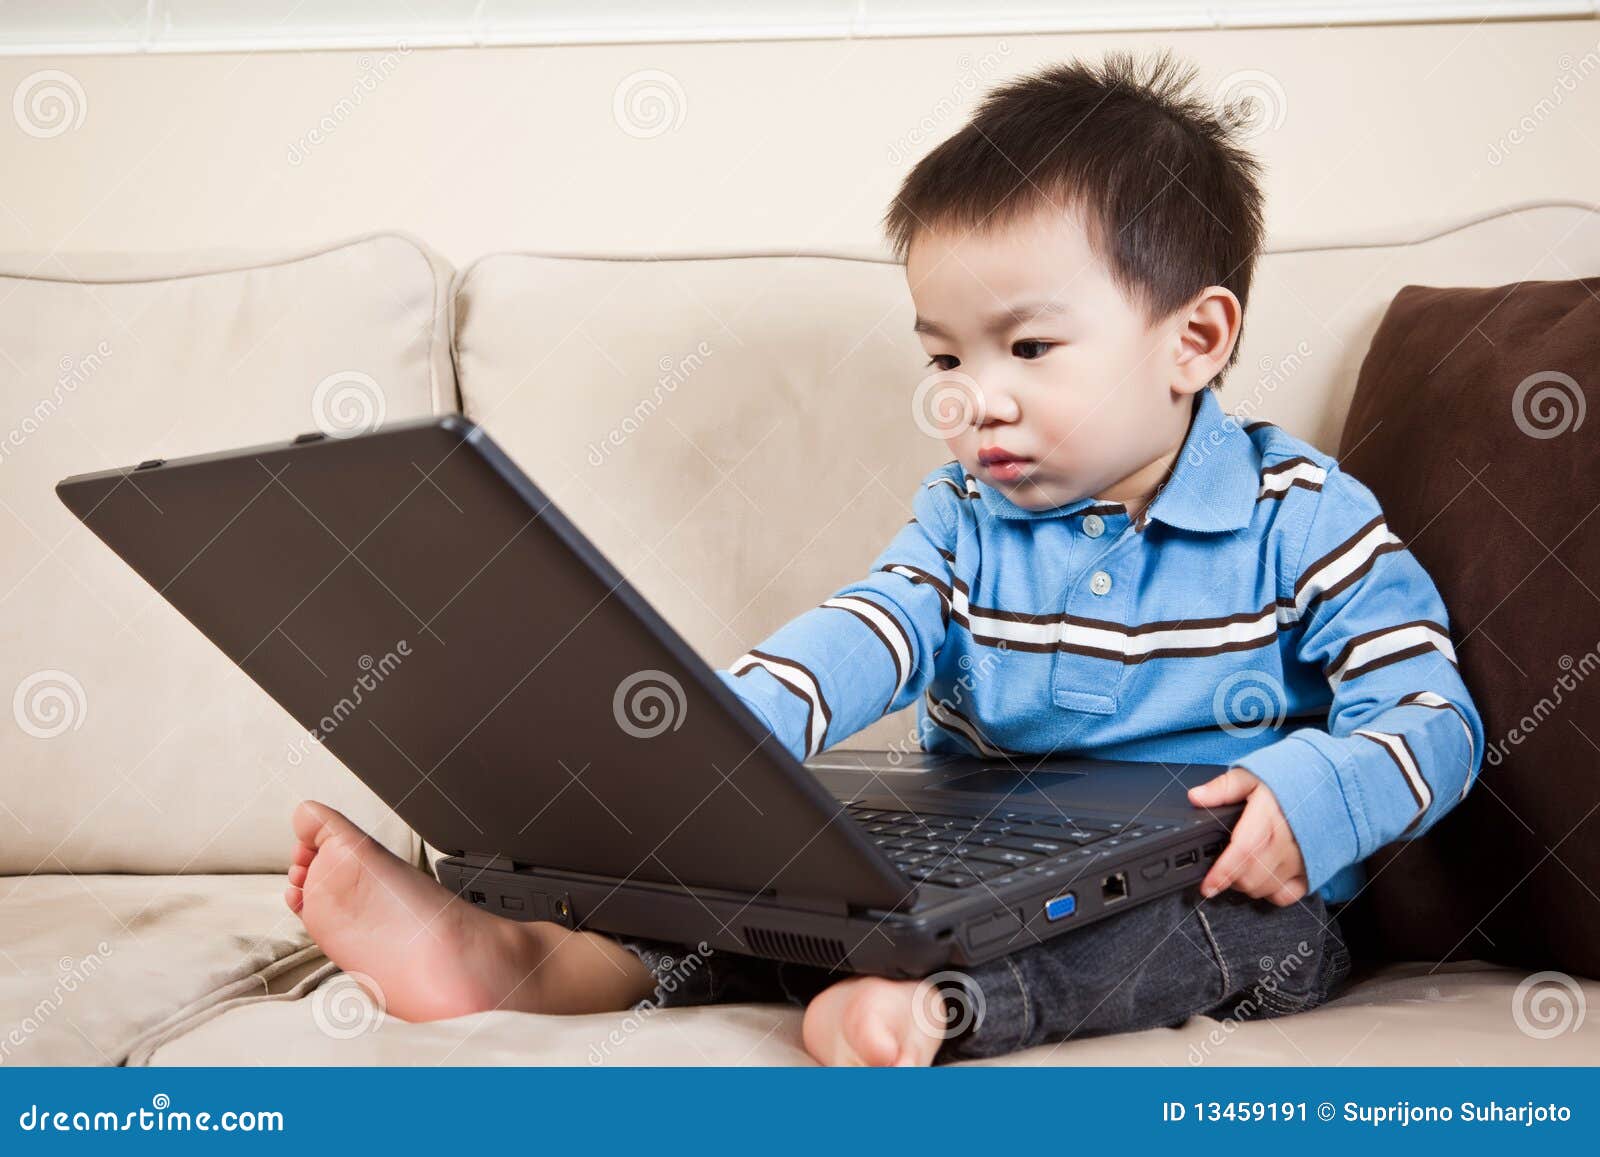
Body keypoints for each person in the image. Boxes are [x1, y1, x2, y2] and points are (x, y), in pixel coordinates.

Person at [285, 49, 1484, 1066]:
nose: (975, 401)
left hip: (1212, 884)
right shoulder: (966, 513)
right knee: (800, 877)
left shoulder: (1302, 514)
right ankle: (531, 956)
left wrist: (1309, 795)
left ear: (1194, 339)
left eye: (1024, 345)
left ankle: (943, 1013)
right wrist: (734, 732)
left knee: (1232, 937)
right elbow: (878, 622)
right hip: (970, 870)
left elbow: (1432, 712)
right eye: (945, 360)